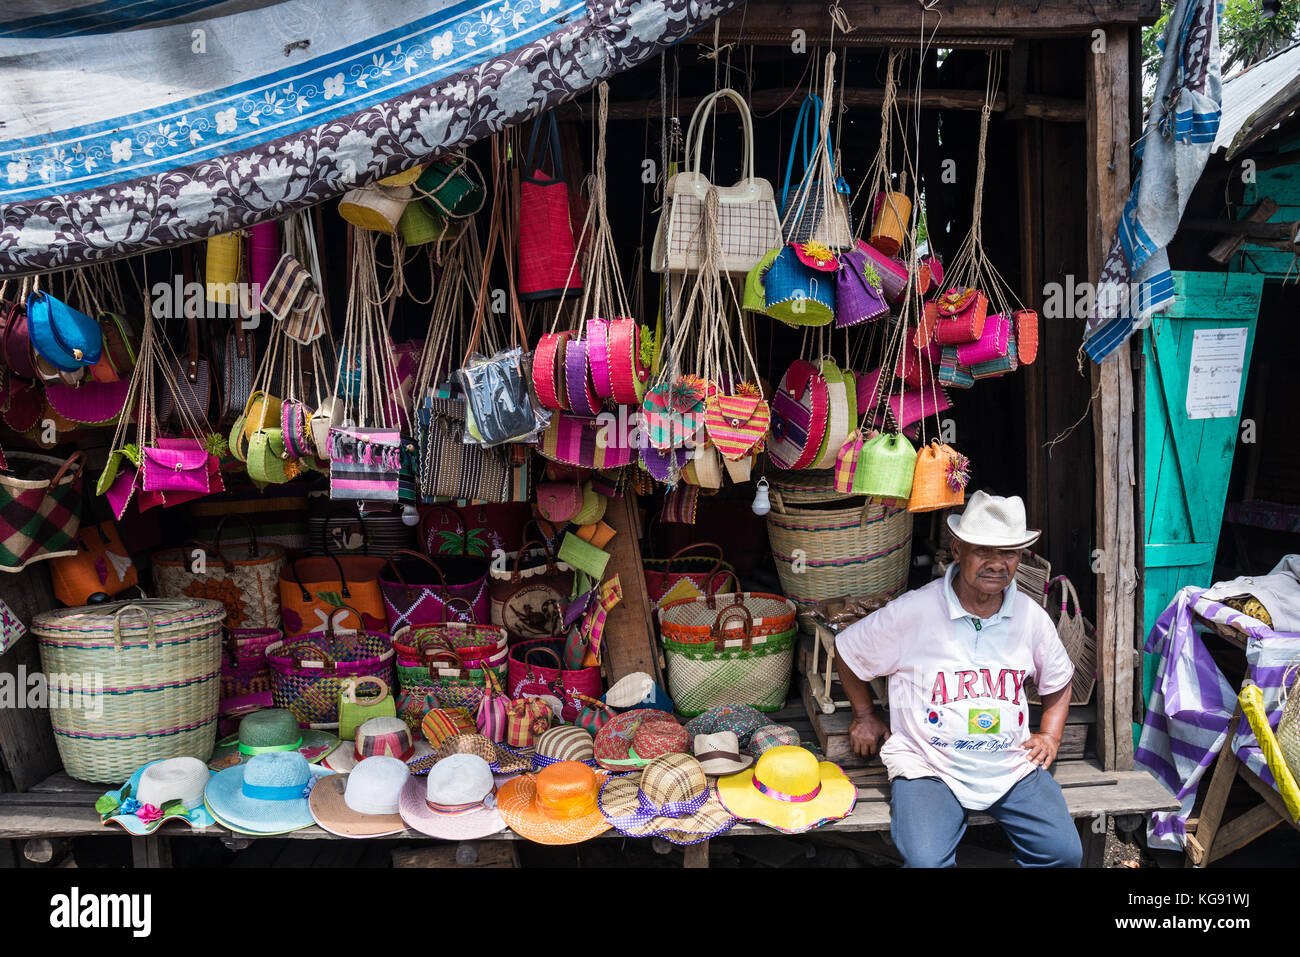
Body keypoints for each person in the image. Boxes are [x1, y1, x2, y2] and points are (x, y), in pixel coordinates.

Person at [835, 490, 1082, 868]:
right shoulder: (914, 611)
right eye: (984, 551)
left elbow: (1059, 679)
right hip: (930, 765)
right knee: (926, 863)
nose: (998, 564)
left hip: (1009, 764)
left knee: (1063, 854)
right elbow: (848, 649)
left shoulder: (1031, 617)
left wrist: (1050, 734)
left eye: (1010, 553)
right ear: (957, 550)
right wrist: (864, 715)